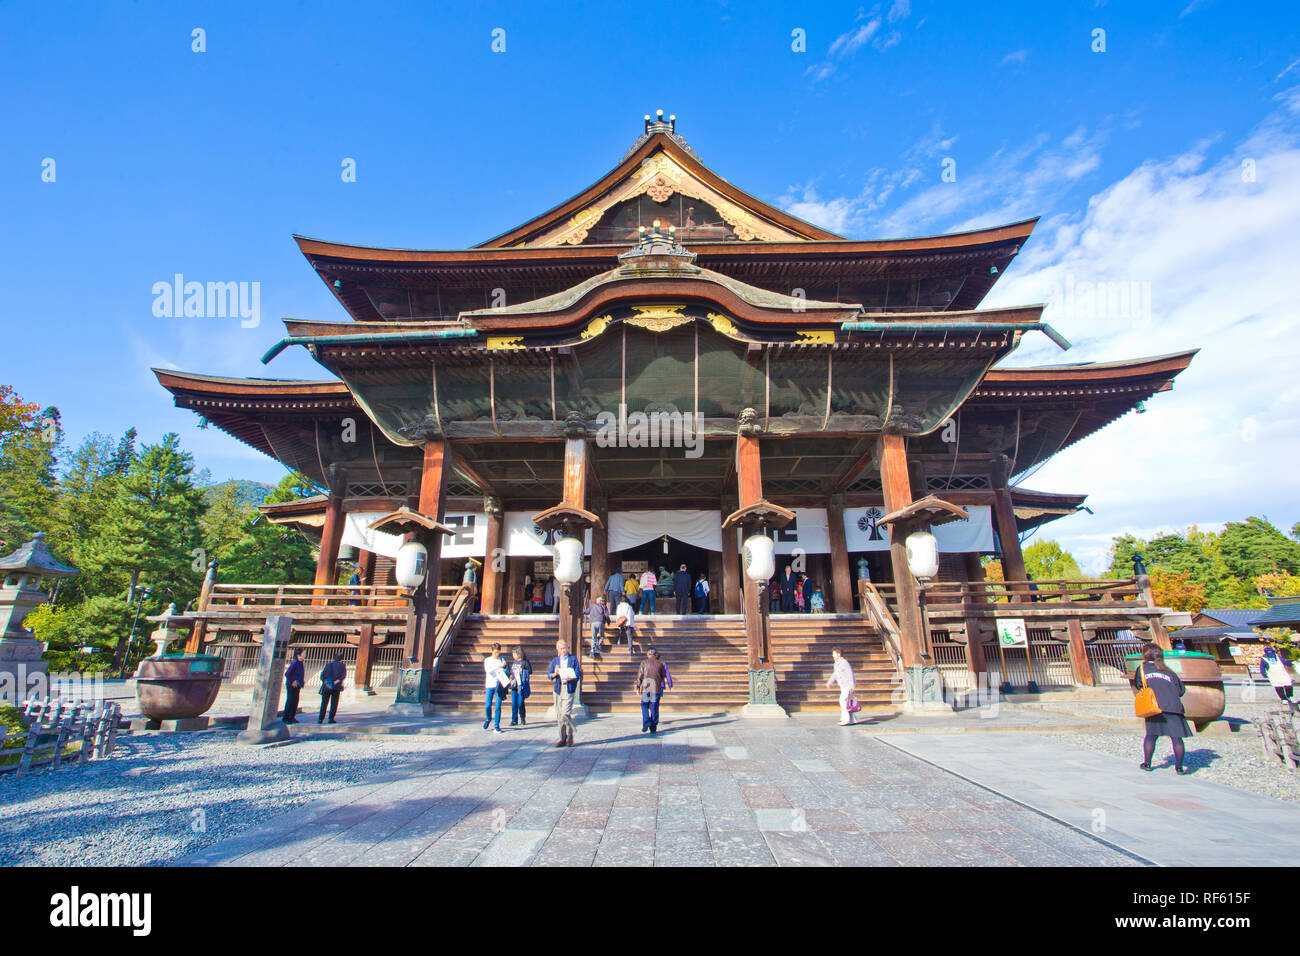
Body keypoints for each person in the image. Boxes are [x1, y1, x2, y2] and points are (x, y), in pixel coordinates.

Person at [1131, 644, 1192, 774]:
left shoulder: (1142, 669)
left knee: (1151, 736)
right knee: (1177, 738)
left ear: (1145, 654)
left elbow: (1139, 685)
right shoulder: (1168, 671)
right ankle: (1180, 768)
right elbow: (1180, 690)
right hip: (1173, 707)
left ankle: (1147, 763)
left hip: (1154, 706)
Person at [547, 639, 582, 747]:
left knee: (565, 713)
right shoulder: (555, 661)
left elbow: (578, 673)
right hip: (558, 688)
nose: (563, 650)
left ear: (568, 648)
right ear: (557, 649)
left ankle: (570, 734)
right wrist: (554, 673)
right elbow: (549, 675)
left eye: (565, 648)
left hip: (568, 687)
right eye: (561, 648)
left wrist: (572, 677)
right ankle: (562, 737)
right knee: (559, 715)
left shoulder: (573, 659)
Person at [637, 647, 670, 734]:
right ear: (655, 654)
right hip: (656, 688)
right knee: (654, 707)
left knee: (644, 705)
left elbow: (640, 676)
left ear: (648, 654)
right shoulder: (660, 664)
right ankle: (653, 726)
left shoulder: (644, 663)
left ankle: (647, 720)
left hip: (646, 687)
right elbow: (663, 675)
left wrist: (638, 687)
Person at [824, 647, 856, 725]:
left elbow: (850, 674)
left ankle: (846, 719)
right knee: (847, 702)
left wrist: (852, 686)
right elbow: (835, 674)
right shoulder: (836, 664)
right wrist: (830, 682)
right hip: (843, 685)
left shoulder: (844, 662)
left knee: (842, 700)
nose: (833, 655)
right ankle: (852, 719)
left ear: (839, 654)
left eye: (834, 653)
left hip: (848, 685)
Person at [483, 643, 507, 733]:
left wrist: (503, 667)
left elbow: (504, 671)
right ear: (492, 651)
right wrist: (498, 666)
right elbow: (488, 670)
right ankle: (488, 718)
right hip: (489, 684)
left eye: (498, 652)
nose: (497, 654)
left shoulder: (501, 660)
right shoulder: (487, 660)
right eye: (495, 652)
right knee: (488, 705)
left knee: (498, 705)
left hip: (498, 684)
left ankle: (497, 725)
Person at [318, 651, 346, 724]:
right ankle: (331, 718)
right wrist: (338, 680)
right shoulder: (342, 666)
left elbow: (322, 676)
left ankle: (320, 718)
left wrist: (326, 681)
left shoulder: (328, 665)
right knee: (334, 703)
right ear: (341, 659)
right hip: (336, 687)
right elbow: (343, 676)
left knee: (324, 703)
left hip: (327, 686)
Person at [509, 646, 532, 727]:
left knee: (520, 702)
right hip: (514, 685)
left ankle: (522, 717)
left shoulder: (525, 662)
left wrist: (523, 671)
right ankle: (514, 719)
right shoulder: (514, 662)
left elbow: (530, 671)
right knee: (514, 703)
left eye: (514, 653)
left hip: (521, 685)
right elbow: (511, 672)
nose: (513, 655)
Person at [282, 647, 304, 723]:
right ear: (298, 655)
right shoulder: (295, 662)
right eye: (303, 654)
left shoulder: (300, 662)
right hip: (292, 684)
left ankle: (292, 717)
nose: (305, 655)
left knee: (295, 701)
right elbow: (287, 673)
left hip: (298, 685)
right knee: (290, 701)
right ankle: (286, 718)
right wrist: (292, 681)